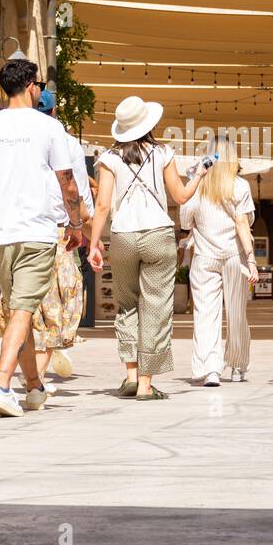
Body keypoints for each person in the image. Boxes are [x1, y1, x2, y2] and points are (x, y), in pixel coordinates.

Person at [0, 60, 84, 418]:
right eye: (37, 83)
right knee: (22, 311)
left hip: (0, 237)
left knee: (16, 313)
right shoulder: (48, 127)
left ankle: (34, 387)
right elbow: (67, 180)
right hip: (37, 233)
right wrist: (75, 224)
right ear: (30, 86)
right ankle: (2, 384)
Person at [88, 96, 206, 400]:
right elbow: (180, 196)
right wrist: (198, 176)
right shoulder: (163, 153)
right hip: (158, 234)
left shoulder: (109, 158)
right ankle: (145, 383)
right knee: (155, 306)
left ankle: (129, 375)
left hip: (123, 236)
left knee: (127, 304)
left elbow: (102, 206)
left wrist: (93, 244)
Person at [180, 136, 259, 386]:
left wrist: (195, 177)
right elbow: (243, 223)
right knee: (236, 313)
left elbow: (184, 223)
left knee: (205, 315)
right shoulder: (240, 186)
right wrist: (252, 259)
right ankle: (237, 365)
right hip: (234, 256)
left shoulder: (197, 186)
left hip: (204, 257)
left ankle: (210, 369)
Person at [31, 88, 94, 387]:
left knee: (27, 306)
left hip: (18, 231)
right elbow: (77, 192)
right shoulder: (67, 144)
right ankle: (37, 377)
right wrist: (85, 231)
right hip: (57, 233)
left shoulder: (15, 138)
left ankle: (31, 372)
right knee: (58, 304)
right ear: (55, 112)